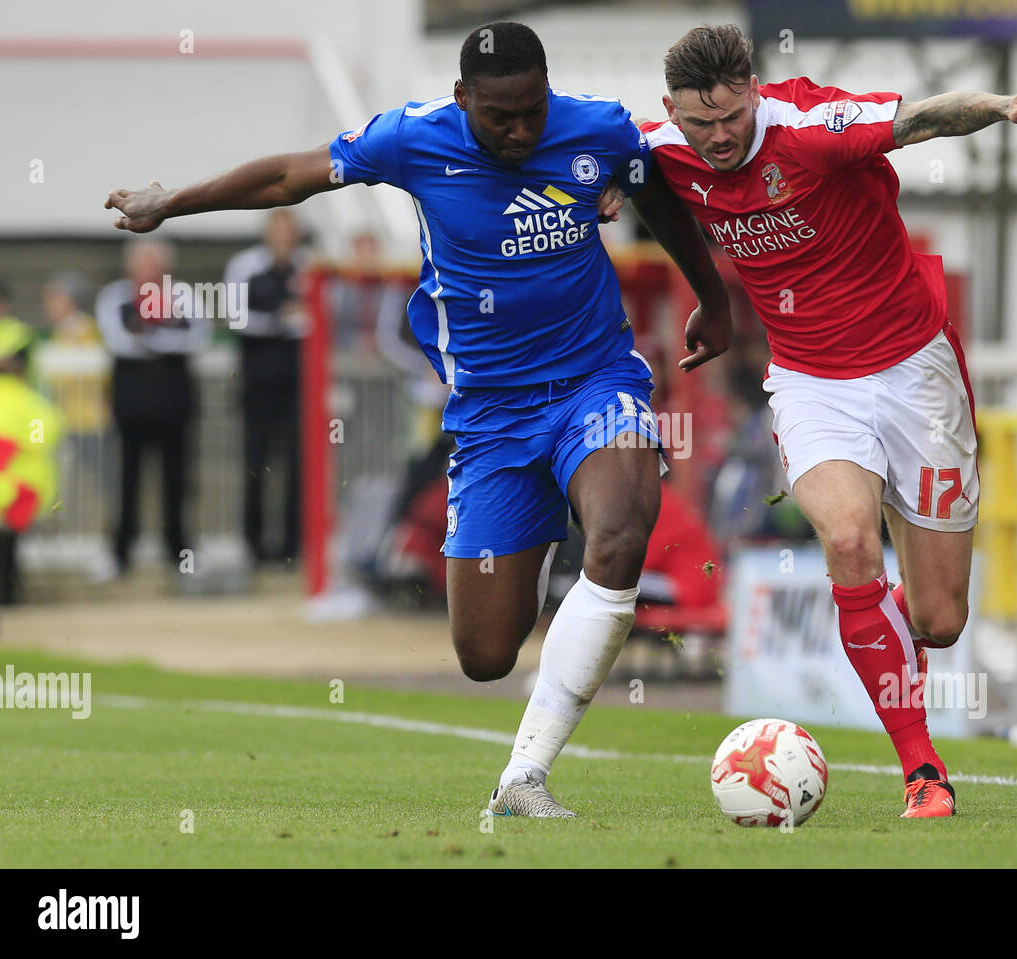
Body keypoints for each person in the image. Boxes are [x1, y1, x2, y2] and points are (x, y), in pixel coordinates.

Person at [104, 20, 731, 817]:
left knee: (620, 527)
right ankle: (534, 547)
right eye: (500, 115)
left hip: (593, 381)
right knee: (484, 656)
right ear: (463, 98)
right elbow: (291, 177)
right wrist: (173, 201)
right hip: (491, 415)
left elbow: (661, 193)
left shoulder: (600, 127)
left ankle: (524, 777)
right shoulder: (411, 137)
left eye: (533, 112)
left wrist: (711, 296)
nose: (520, 130)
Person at [623, 24, 1017, 818]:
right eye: (700, 123)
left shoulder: (813, 129)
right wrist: (710, 297)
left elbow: (925, 116)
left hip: (914, 368)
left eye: (731, 117)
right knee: (851, 541)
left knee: (941, 619)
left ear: (755, 90)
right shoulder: (661, 147)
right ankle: (923, 770)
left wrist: (1004, 105)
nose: (718, 138)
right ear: (671, 112)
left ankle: (890, 618)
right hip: (809, 380)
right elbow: (627, 178)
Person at [94, 239, 211, 574]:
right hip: (131, 400)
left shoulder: (183, 294)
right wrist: (163, 334)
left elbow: (198, 336)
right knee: (127, 478)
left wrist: (150, 334)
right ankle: (120, 555)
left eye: (154, 265)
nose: (148, 271)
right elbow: (119, 341)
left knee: (177, 478)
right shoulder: (115, 296)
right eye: (142, 265)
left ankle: (180, 553)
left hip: (174, 400)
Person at [224, 209, 311, 565]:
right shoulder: (244, 265)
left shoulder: (308, 265)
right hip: (258, 381)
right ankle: (254, 546)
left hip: (298, 383)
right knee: (255, 464)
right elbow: (235, 316)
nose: (282, 237)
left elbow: (317, 318)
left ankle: (293, 547)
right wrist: (280, 319)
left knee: (298, 467)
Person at [0, 319, 65, 640]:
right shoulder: (35, 403)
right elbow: (47, 434)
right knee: (3, 561)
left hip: (5, 496)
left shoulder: (4, 399)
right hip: (20, 497)